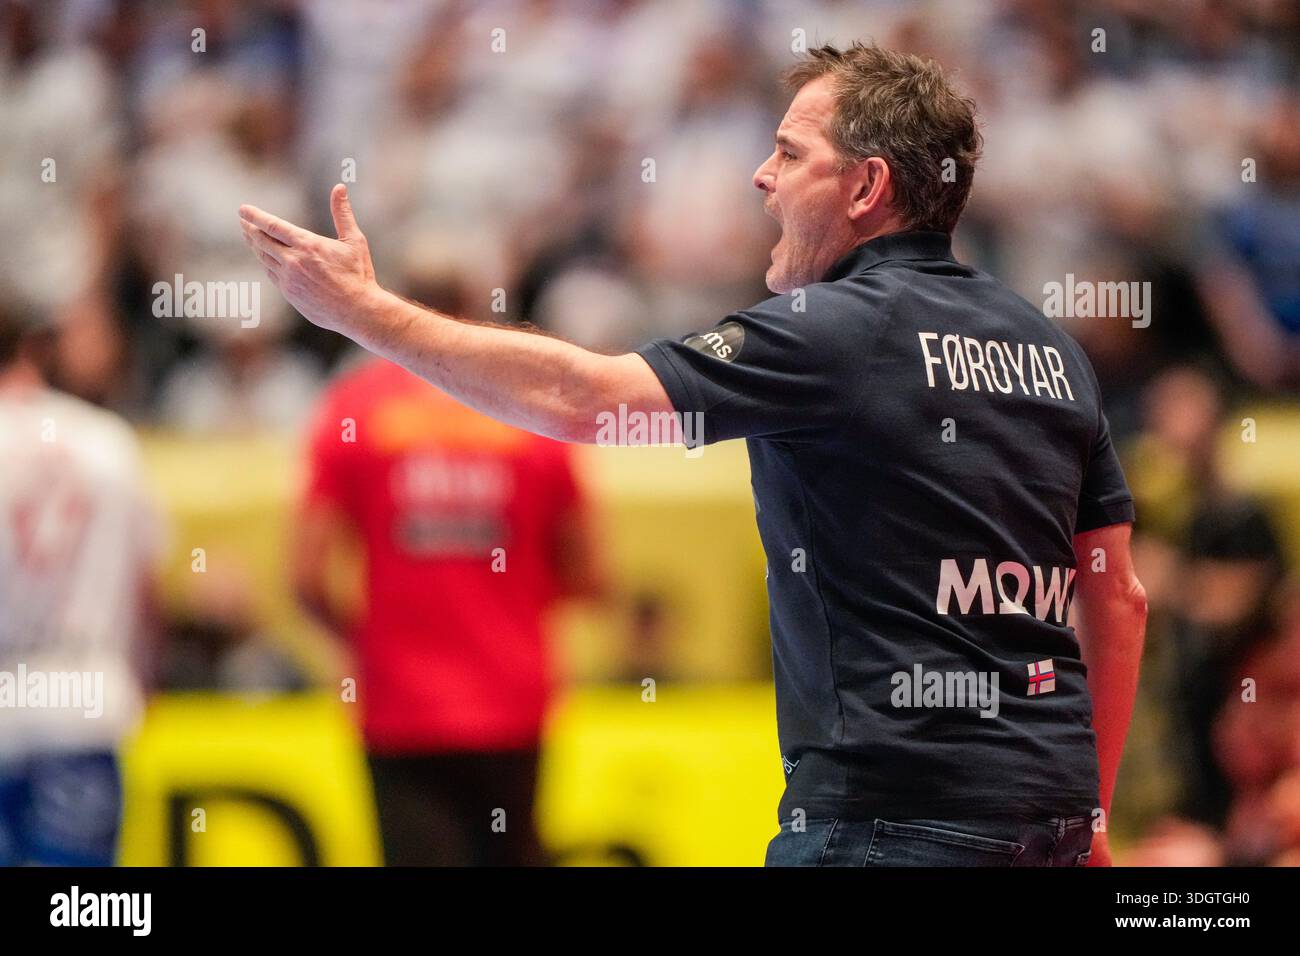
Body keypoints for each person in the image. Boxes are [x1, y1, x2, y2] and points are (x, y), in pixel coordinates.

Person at [240, 42, 1147, 867]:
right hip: (1049, 823)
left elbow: (587, 401)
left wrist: (364, 314)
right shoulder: (1049, 349)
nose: (761, 176)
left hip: (889, 824)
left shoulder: (834, 332)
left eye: (790, 154)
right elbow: (1116, 597)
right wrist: (1094, 820)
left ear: (867, 186)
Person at [293, 353, 602, 866]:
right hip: (513, 700)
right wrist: (509, 608)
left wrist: (365, 640)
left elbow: (306, 579)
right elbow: (590, 575)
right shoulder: (529, 403)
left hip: (400, 704)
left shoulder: (354, 406)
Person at [0, 299, 160, 866]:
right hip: (84, 697)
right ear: (33, 348)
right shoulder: (107, 441)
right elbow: (147, 585)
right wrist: (146, 673)